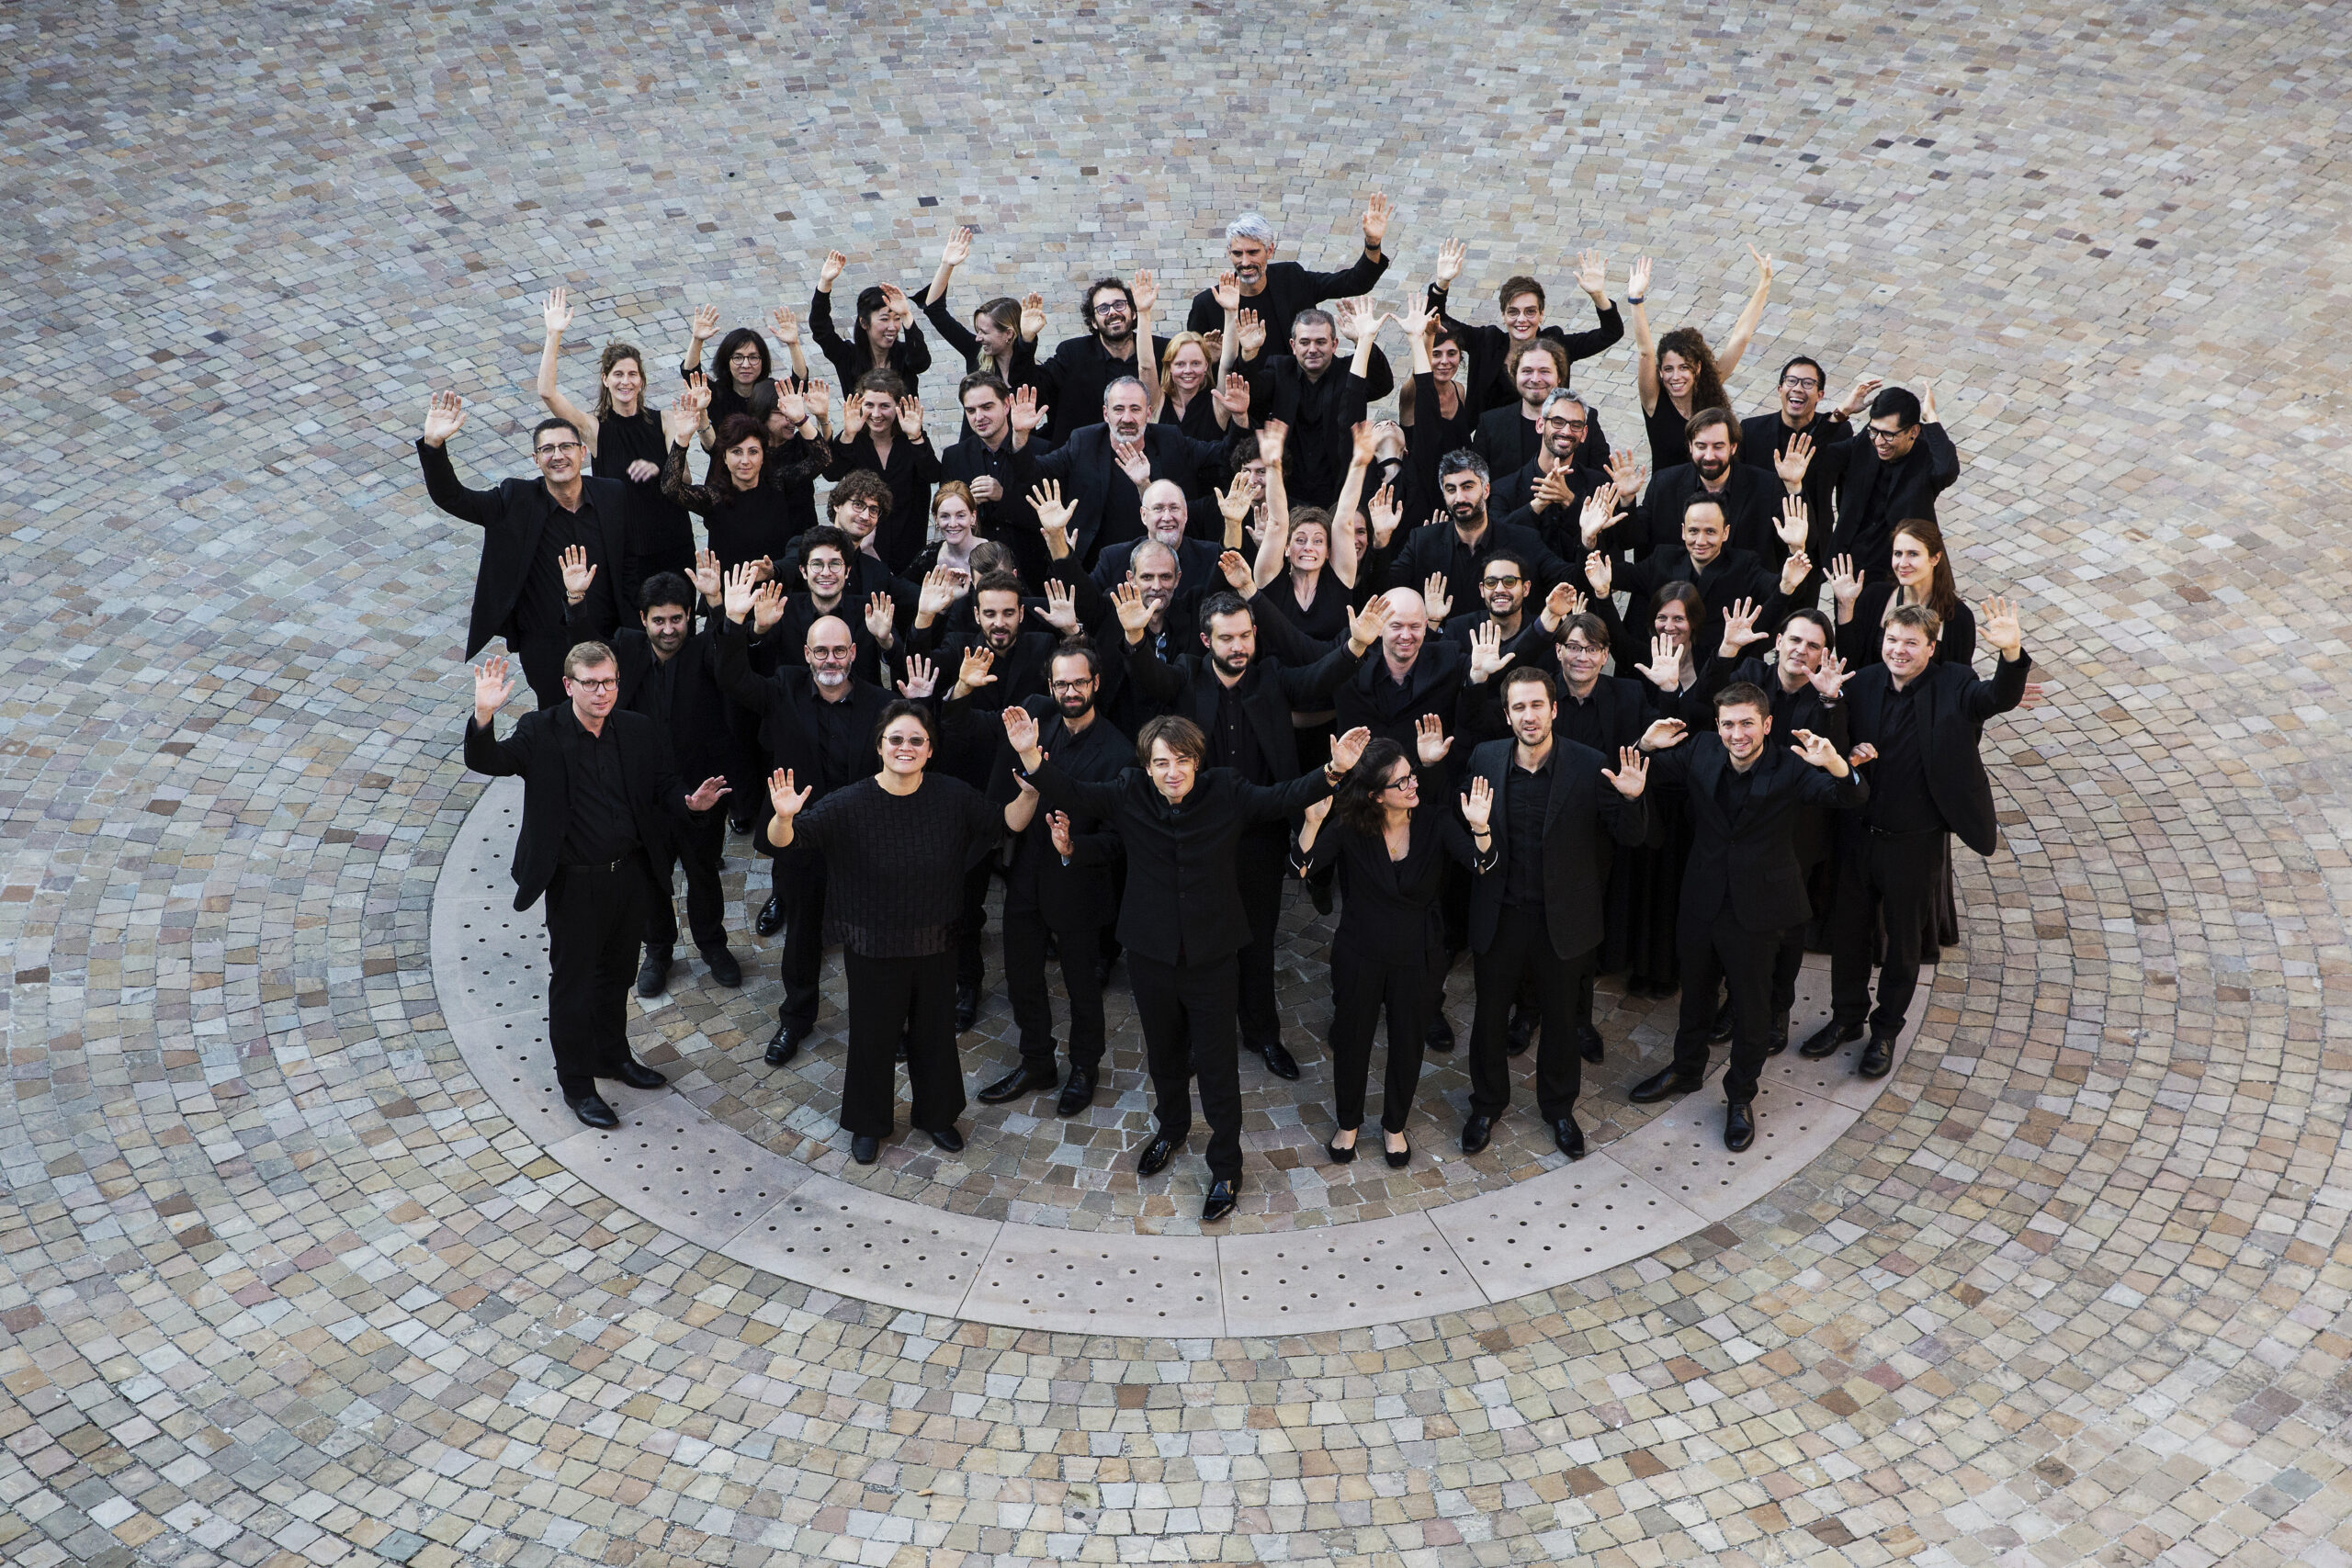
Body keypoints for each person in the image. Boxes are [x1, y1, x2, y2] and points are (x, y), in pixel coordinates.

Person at [1006, 708, 1370, 1221]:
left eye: (1180, 761)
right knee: (1164, 1054)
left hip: (1213, 955)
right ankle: (1172, 1129)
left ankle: (1226, 1166)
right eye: (1160, 763)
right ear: (1147, 767)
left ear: (1196, 761)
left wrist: (1334, 770)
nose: (1171, 771)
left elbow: (1283, 796)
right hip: (1150, 953)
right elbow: (1072, 791)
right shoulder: (1129, 791)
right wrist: (1028, 754)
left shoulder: (1227, 790)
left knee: (1219, 1066)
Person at [1116, 585, 1381, 1078]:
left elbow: (1318, 677)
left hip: (1259, 829)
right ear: (1205, 640)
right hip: (1199, 835)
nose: (1237, 646)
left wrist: (1357, 645)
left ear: (1254, 634)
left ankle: (1263, 1033)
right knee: (1199, 946)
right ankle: (1197, 1039)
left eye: (1244, 635)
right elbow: (1149, 675)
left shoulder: (1271, 677)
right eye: (1226, 638)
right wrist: (1134, 638)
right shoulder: (1187, 676)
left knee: (1257, 942)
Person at [462, 646, 730, 1127]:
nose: (602, 691)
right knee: (574, 986)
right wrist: (484, 715)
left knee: (618, 975)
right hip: (573, 884)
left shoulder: (637, 730)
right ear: (569, 686)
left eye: (609, 681)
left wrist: (690, 802)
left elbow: (663, 786)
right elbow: (490, 761)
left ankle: (613, 1057)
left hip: (630, 876)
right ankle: (577, 1084)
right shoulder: (540, 731)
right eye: (591, 683)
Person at [762, 698, 1023, 1165]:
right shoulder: (849, 802)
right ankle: (868, 1123)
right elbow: (788, 841)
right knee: (872, 1036)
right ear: (880, 746)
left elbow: (1004, 823)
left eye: (916, 740)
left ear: (929, 750)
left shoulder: (953, 796)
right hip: (872, 944)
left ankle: (937, 1116)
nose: (906, 747)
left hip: (936, 939)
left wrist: (1032, 790)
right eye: (896, 739)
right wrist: (783, 817)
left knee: (936, 1034)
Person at [1629, 686, 1868, 1152]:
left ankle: (1740, 1096)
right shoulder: (1700, 749)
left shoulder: (1793, 765)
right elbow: (1641, 774)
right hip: (1702, 899)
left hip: (1760, 909)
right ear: (1717, 726)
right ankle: (1685, 1069)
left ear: (1766, 724)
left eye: (1746, 723)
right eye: (1728, 724)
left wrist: (1838, 763)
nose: (1737, 734)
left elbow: (1851, 797)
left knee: (1753, 1010)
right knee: (1694, 995)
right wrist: (1643, 746)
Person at [1806, 600, 2031, 1074]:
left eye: (1911, 643)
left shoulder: (1956, 684)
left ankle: (1885, 1032)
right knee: (1848, 934)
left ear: (1932, 647)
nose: (1898, 650)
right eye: (1892, 640)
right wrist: (1834, 715)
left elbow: (1999, 699)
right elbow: (1832, 745)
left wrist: (2011, 653)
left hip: (1915, 842)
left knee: (1904, 942)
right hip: (1858, 834)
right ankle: (1847, 1018)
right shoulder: (1863, 682)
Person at [713, 568, 922, 1065]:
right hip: (800, 837)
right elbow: (732, 678)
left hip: (862, 844)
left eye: (840, 651)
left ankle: (885, 1024)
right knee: (803, 935)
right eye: (820, 652)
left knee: (872, 940)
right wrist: (735, 621)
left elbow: (915, 748)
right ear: (806, 655)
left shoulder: (881, 705)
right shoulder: (783, 686)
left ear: (853, 654)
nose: (831, 660)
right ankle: (796, 1019)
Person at [1459, 669, 1655, 1157]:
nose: (1529, 716)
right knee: (1488, 1018)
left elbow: (1630, 838)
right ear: (1507, 715)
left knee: (1564, 1021)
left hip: (1563, 918)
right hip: (1500, 915)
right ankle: (1486, 1104)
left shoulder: (1589, 765)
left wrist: (1633, 798)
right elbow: (1465, 833)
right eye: (1519, 708)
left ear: (1554, 709)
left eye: (1537, 706)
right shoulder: (1483, 759)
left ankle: (1559, 1109)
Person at [1295, 725, 1497, 1167]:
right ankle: (1348, 1123)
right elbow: (1304, 867)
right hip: (1360, 951)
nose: (1413, 784)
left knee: (1408, 1042)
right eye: (1401, 781)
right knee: (1352, 1041)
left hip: (1419, 954)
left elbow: (1482, 864)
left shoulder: (1438, 820)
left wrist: (1481, 828)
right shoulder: (1350, 827)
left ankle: (1394, 1126)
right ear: (1375, 796)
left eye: (1412, 775)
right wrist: (1311, 823)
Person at [975, 643, 1131, 1116]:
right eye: (1061, 683)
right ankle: (1037, 1061)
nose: (1070, 692)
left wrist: (1074, 850)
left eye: (1079, 682)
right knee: (1021, 974)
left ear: (1096, 684)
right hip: (1027, 871)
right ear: (1050, 687)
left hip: (1080, 882)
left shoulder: (1119, 751)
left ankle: (1085, 1067)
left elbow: (1118, 840)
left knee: (1082, 986)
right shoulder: (1037, 724)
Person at [1690, 602, 1854, 1050]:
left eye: (1814, 646)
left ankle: (1777, 1010)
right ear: (1778, 642)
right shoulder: (1748, 674)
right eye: (1795, 639)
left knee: (1783, 933)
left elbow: (1833, 764)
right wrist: (1724, 651)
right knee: (1729, 919)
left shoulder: (1828, 696)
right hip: (1736, 824)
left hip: (1794, 835)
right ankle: (1733, 1004)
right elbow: (1703, 708)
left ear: (1824, 656)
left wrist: (1831, 702)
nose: (1802, 650)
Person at [415, 391, 631, 709]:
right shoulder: (515, 499)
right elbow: (454, 498)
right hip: (547, 644)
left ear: (583, 453)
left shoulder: (612, 494)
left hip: (606, 635)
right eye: (547, 449)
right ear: (535, 459)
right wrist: (434, 447)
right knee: (557, 722)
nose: (557, 456)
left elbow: (632, 555)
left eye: (566, 446)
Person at [610, 569, 752, 997]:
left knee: (702, 871)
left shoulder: (704, 651)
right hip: (645, 796)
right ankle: (657, 951)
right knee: (651, 877)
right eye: (659, 620)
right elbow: (583, 650)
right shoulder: (626, 648)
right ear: (643, 619)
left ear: (689, 618)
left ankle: (712, 946)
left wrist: (717, 604)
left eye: (676, 619)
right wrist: (576, 602)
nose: (668, 629)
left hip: (701, 791)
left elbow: (730, 653)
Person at [536, 288, 694, 606]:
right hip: (625, 550)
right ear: (605, 379)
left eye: (633, 374)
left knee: (679, 626)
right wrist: (554, 334)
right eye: (618, 374)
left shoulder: (664, 421)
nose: (626, 381)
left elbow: (686, 479)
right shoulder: (595, 429)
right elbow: (548, 393)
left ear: (642, 381)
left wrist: (659, 468)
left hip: (672, 542)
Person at [1020, 376, 1244, 564]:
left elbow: (1225, 456)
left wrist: (1240, 417)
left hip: (1163, 564)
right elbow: (1032, 474)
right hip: (1097, 564)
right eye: (1119, 409)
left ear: (1148, 413)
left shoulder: (1170, 440)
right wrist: (1019, 436)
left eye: (1135, 409)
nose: (1127, 418)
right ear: (1106, 414)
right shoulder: (1083, 442)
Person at [1424, 241, 1625, 421]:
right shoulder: (1486, 342)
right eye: (1513, 312)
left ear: (1541, 314)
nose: (1521, 320)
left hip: (1544, 443)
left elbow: (1611, 332)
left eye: (1530, 312)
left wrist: (1598, 295)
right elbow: (1438, 320)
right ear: (1503, 315)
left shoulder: (1556, 344)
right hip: (1492, 445)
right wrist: (1442, 284)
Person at [1780, 384, 1961, 579]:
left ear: (1913, 432)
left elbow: (1946, 470)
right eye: (1874, 430)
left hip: (1901, 572)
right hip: (1851, 568)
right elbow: (1812, 456)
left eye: (1889, 435)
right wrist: (1843, 412)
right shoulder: (1866, 442)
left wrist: (1932, 419)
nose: (1879, 442)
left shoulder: (1926, 457)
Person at [660, 380, 829, 576]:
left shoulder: (778, 483)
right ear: (724, 456)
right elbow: (670, 488)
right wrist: (682, 438)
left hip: (776, 586)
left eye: (753, 452)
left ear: (763, 455)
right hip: (731, 594)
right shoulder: (713, 497)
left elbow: (823, 458)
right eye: (737, 452)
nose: (745, 461)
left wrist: (801, 419)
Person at [1626, 249, 1773, 468]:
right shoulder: (1653, 400)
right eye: (1668, 369)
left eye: (1684, 367)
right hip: (1669, 497)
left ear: (1698, 368)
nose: (1675, 377)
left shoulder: (1709, 389)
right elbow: (1645, 352)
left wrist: (1764, 283)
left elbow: (1740, 338)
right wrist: (1636, 300)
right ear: (1660, 372)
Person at [1182, 200, 1394, 350]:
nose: (1245, 262)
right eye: (1237, 254)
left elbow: (1355, 282)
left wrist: (1372, 243)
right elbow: (1193, 364)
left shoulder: (1291, 278)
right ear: (1229, 254)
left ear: (1270, 250)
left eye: (1253, 252)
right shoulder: (1207, 304)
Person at [1238, 304, 1384, 509]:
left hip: (1339, 486)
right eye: (1305, 342)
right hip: (1288, 489)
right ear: (1293, 345)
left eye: (1320, 342)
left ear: (1334, 344)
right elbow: (1253, 394)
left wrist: (1363, 341)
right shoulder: (1280, 369)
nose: (1312, 349)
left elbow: (1383, 383)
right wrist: (1248, 354)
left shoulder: (1351, 370)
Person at [1634, 407, 1797, 563]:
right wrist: (1626, 500)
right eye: (1701, 446)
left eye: (1718, 447)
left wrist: (1794, 487)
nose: (1709, 456)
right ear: (1690, 446)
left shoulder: (1766, 486)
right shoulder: (1664, 483)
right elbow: (1632, 539)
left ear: (1733, 447)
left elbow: (1801, 538)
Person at [825, 371, 942, 571]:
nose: (877, 414)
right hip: (863, 538)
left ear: (897, 407)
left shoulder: (910, 438)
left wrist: (916, 438)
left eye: (885, 406)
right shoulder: (854, 439)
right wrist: (847, 434)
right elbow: (831, 473)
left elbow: (933, 474)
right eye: (870, 405)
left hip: (908, 537)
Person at [938, 377, 1053, 579]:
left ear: (1006, 405)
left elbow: (1048, 519)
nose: (978, 417)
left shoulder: (1041, 450)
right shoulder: (954, 457)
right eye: (971, 411)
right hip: (975, 572)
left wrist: (1003, 497)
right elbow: (947, 520)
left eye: (987, 407)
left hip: (1032, 569)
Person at [1826, 518, 1976, 671]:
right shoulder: (1875, 596)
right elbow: (1850, 661)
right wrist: (1845, 605)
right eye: (1898, 554)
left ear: (1935, 558)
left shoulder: (1959, 618)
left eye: (1913, 554)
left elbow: (1961, 680)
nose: (1902, 563)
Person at [1035, 276, 1169, 445]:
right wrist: (1026, 340)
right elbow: (1036, 385)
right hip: (1089, 459)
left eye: (1119, 304)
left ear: (1133, 313)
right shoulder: (1072, 354)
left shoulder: (1162, 350)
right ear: (1094, 322)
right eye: (1103, 308)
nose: (1112, 312)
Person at [917, 228, 1043, 400]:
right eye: (978, 330)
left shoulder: (1030, 368)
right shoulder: (975, 352)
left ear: (1008, 334)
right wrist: (946, 265)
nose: (978, 337)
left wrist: (1028, 336)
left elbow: (1024, 352)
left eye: (984, 331)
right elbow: (935, 311)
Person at [808, 248, 933, 393]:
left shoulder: (905, 354)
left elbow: (921, 362)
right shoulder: (848, 357)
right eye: (884, 319)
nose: (892, 327)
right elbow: (820, 328)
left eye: (897, 319)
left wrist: (906, 314)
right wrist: (825, 282)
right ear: (864, 323)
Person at [1738, 355, 1872, 476]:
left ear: (1820, 395)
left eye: (1808, 383)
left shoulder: (1839, 431)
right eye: (1791, 381)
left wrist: (1842, 412)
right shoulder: (1750, 430)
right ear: (1780, 390)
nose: (1797, 388)